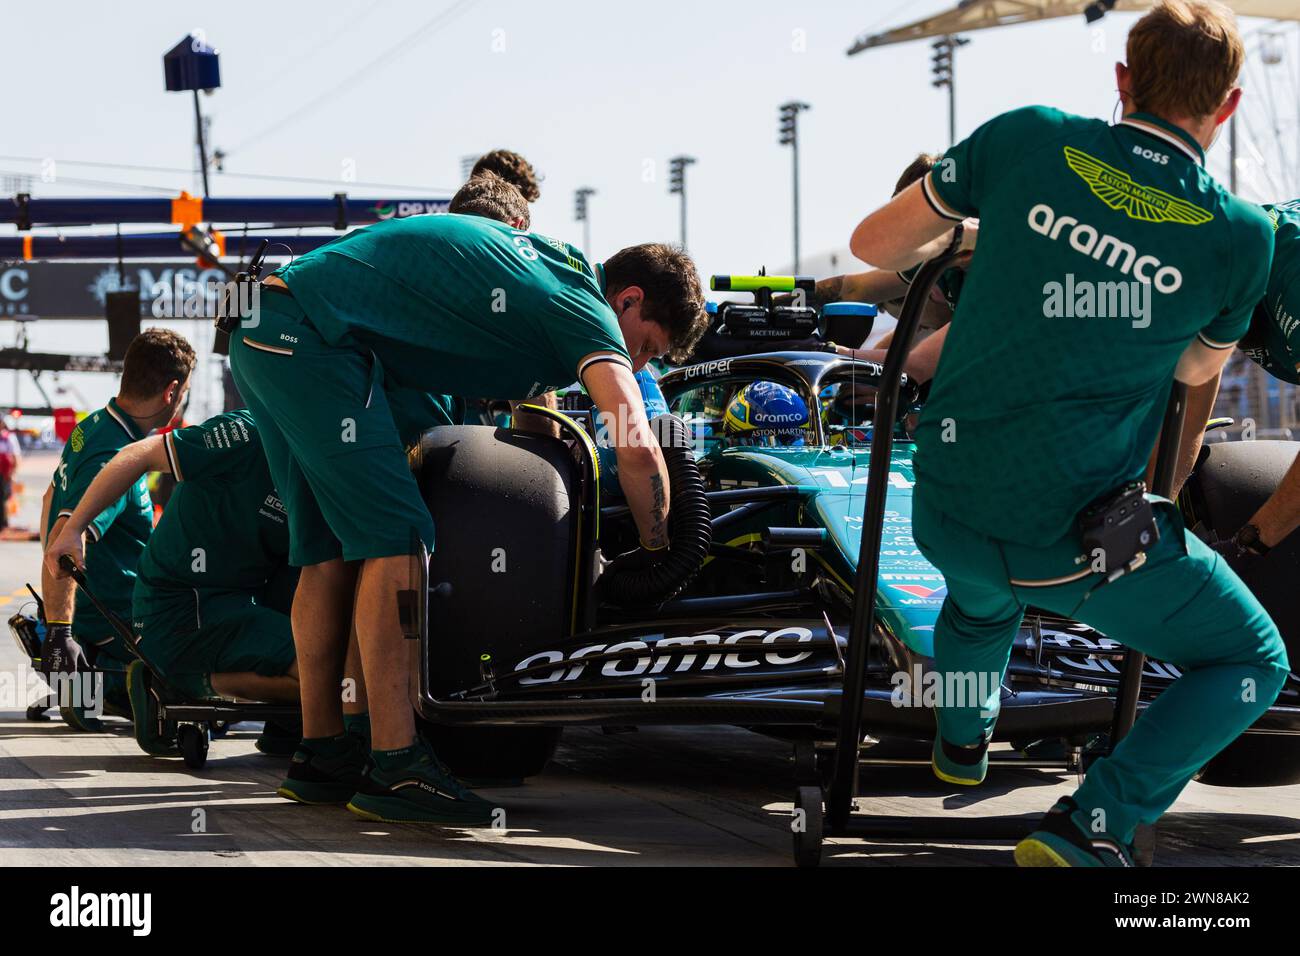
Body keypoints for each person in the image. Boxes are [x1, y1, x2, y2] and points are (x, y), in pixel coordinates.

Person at [848, 0, 1288, 867]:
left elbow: (876, 241)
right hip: (1073, 543)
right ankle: (1092, 825)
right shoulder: (1243, 237)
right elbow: (1198, 373)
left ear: (1122, 80)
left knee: (980, 596)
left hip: (946, 508)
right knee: (1252, 658)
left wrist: (993, 233)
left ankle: (963, 740)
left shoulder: (1027, 136)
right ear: (1228, 106)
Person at [228, 213, 706, 825]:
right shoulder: (583, 303)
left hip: (270, 327)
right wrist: (658, 544)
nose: (637, 364)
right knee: (400, 538)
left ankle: (326, 753)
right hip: (312, 338)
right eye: (644, 346)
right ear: (629, 299)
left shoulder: (545, 268)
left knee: (327, 551)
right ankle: (396, 764)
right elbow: (635, 443)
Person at [46, 410, 302, 757]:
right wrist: (73, 532)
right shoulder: (244, 432)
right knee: (334, 675)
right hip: (178, 607)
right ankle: (174, 684)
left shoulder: (325, 465)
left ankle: (287, 726)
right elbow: (134, 455)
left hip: (229, 602)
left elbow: (49, 497)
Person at [39, 329, 196, 731]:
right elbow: (65, 540)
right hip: (123, 622)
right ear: (171, 392)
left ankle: (90, 673)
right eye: (185, 392)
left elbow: (48, 498)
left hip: (96, 615)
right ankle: (104, 680)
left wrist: (57, 616)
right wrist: (60, 633)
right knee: (215, 651)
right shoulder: (116, 460)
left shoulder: (88, 427)